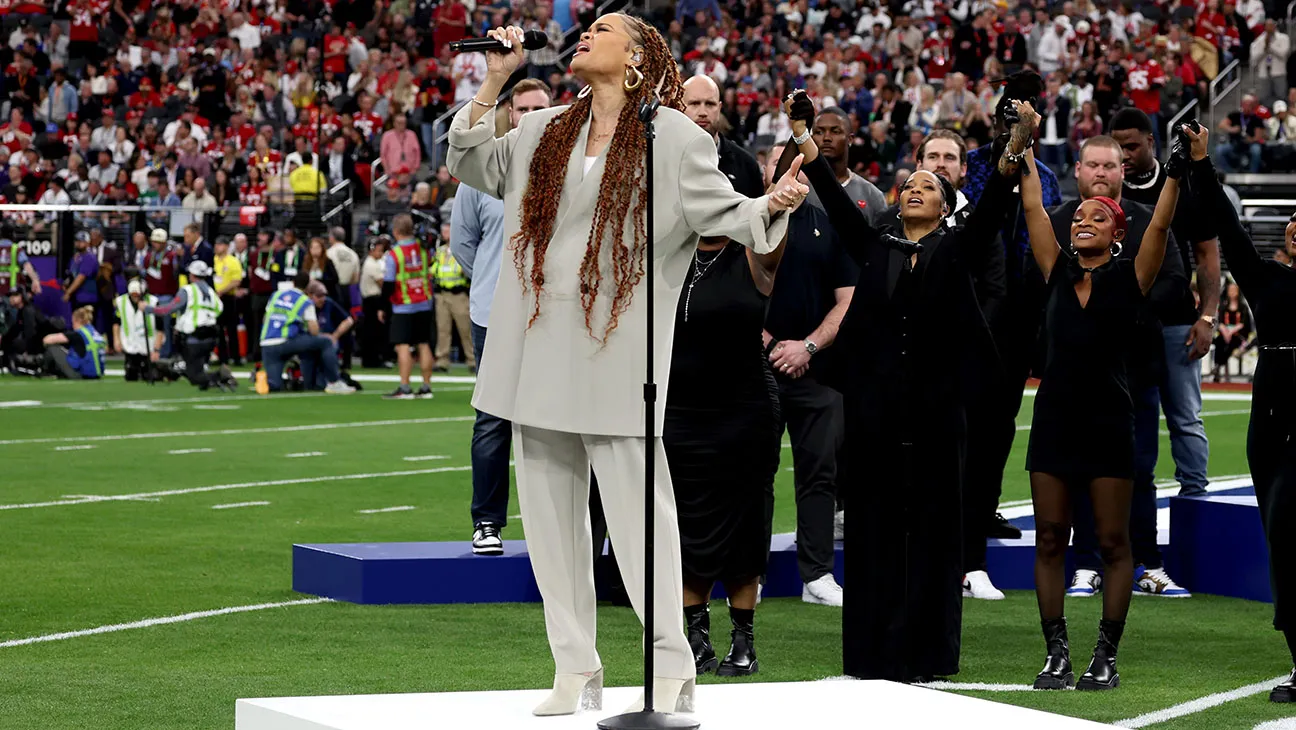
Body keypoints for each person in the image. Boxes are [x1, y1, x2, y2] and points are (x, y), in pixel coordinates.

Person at [447, 17, 803, 715]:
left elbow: (721, 210)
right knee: (549, 521)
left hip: (615, 352)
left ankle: (670, 664)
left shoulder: (671, 135)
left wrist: (773, 204)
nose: (584, 35)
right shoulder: (542, 127)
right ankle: (574, 666)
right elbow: (469, 161)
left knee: (644, 520)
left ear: (637, 57)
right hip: (536, 346)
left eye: (602, 29)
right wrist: (495, 78)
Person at [785, 89, 1020, 683]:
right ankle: (872, 655)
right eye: (909, 184)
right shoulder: (876, 246)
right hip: (876, 416)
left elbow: (993, 205)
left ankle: (931, 656)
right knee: (873, 533)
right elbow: (837, 204)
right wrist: (805, 140)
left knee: (937, 535)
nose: (915, 189)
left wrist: (1012, 147)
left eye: (929, 187)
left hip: (940, 414)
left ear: (944, 207)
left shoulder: (956, 248)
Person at [1019, 106, 1196, 692]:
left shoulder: (1131, 277)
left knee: (1116, 542)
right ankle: (1056, 651)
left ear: (1118, 232)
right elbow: (1033, 207)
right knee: (1049, 538)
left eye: (1098, 217)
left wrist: (1172, 174)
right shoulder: (1055, 271)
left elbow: (1163, 230)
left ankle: (1105, 653)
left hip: (1109, 421)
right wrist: (1022, 145)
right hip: (1055, 421)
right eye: (1080, 218)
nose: (1082, 222)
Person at [1055, 135, 1194, 604]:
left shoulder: (1146, 221)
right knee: (1076, 470)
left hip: (1134, 368)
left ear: (1122, 171)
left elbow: (1175, 283)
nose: (1100, 173)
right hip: (1072, 373)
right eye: (1092, 164)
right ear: (1078, 170)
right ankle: (1086, 564)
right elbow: (1039, 285)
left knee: (1138, 468)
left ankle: (1148, 562)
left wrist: (1117, 304)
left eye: (1109, 165)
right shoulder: (1060, 220)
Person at [671, 153, 787, 678]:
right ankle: (695, 637)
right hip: (680, 415)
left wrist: (780, 190)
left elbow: (776, 226)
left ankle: (744, 639)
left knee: (745, 525)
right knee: (686, 526)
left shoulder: (753, 253)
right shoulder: (668, 255)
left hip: (745, 412)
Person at [1191, 141, 1296, 703]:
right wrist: (1204, 165)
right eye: (1294, 222)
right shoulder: (1265, 280)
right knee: (1282, 539)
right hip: (1274, 426)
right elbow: (1228, 227)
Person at [451, 77, 552, 555]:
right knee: (492, 419)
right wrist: (502, 287)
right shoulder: (484, 169)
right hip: (495, 314)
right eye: (525, 107)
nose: (532, 115)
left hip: (554, 316)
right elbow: (463, 244)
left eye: (542, 108)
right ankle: (487, 521)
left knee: (555, 421)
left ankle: (555, 527)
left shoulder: (567, 168)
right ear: (511, 114)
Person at [760, 142, 854, 608]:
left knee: (821, 473)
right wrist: (774, 345)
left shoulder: (828, 226)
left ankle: (816, 575)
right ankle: (747, 572)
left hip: (818, 370)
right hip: (756, 370)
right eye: (783, 165)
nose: (791, 174)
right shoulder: (743, 221)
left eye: (799, 167)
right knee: (753, 472)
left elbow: (848, 298)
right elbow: (729, 290)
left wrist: (809, 345)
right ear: (766, 172)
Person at [145, 261, 237, 392]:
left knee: (193, 375)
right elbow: (219, 308)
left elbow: (168, 309)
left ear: (192, 275)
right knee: (195, 367)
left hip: (193, 338)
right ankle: (208, 382)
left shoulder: (187, 290)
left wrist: (148, 308)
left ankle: (220, 375)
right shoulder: (211, 292)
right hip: (211, 337)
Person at [259, 271, 356, 395]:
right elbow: (314, 331)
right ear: (307, 286)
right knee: (326, 342)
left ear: (293, 283)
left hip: (267, 343)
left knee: (274, 386)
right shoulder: (304, 301)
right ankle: (334, 382)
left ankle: (270, 381)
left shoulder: (276, 295)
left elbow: (265, 319)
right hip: (287, 341)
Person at [681, 74, 764, 198]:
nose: (703, 112)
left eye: (710, 104)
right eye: (694, 104)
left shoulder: (747, 166)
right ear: (680, 107)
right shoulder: (662, 161)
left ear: (719, 109)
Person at [803, 105, 888, 223]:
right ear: (811, 139)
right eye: (819, 132)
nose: (826, 138)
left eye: (835, 131)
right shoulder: (800, 190)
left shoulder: (872, 195)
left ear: (850, 139)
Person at [382, 214, 435, 400]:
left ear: (395, 231)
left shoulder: (394, 253)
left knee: (402, 344)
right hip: (424, 301)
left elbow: (388, 282)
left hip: (403, 304)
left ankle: (405, 387)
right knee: (423, 343)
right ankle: (426, 386)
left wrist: (383, 306)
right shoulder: (423, 249)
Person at [430, 241, 475, 372]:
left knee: (465, 328)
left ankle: (472, 359)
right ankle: (442, 361)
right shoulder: (440, 251)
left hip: (458, 293)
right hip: (442, 293)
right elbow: (434, 267)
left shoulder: (462, 249)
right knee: (443, 329)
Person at [305, 280, 356, 390]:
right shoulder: (304, 305)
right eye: (318, 296)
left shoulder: (329, 303)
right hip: (310, 339)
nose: (322, 299)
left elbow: (348, 320)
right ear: (309, 295)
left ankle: (332, 380)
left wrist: (335, 336)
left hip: (328, 338)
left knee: (329, 344)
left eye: (323, 296)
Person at [37, 305, 105, 379]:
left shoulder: (78, 333)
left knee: (53, 348)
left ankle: (45, 371)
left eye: (73, 322)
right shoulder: (95, 333)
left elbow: (47, 339)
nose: (73, 325)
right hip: (97, 374)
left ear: (77, 320)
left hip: (80, 374)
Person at [143, 228, 181, 357]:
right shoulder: (148, 256)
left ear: (165, 243)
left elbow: (176, 275)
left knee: (166, 326)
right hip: (152, 296)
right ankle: (153, 352)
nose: (155, 244)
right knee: (153, 326)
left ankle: (166, 353)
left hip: (167, 296)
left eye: (158, 242)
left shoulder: (172, 256)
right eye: (154, 242)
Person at [113, 279, 158, 381]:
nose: (135, 297)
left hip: (148, 344)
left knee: (149, 375)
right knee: (131, 376)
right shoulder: (121, 302)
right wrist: (116, 340)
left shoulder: (153, 301)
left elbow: (160, 327)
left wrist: (156, 348)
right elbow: (116, 322)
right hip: (130, 343)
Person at [360, 235, 392, 369]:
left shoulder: (372, 263)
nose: (380, 253)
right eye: (378, 250)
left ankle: (373, 358)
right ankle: (372, 359)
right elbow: (383, 284)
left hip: (371, 300)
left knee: (374, 331)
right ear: (371, 251)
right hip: (372, 301)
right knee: (374, 332)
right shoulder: (371, 265)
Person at [212, 237, 245, 366]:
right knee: (218, 329)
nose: (217, 247)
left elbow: (237, 280)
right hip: (215, 299)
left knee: (231, 328)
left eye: (219, 245)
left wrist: (222, 291)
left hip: (228, 298)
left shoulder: (233, 261)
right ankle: (222, 357)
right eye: (216, 244)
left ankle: (235, 357)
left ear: (226, 246)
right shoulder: (213, 260)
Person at [1212, 280, 1252, 381]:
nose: (1232, 292)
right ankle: (1217, 366)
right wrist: (1225, 332)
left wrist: (1231, 331)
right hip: (1224, 334)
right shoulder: (1223, 306)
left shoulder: (1242, 307)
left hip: (1238, 336)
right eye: (1231, 290)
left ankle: (1218, 365)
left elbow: (1243, 323)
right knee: (1219, 342)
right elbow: (1220, 323)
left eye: (1234, 290)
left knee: (1231, 345)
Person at [0, 227, 42, 296]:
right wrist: (35, 280)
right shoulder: (16, 249)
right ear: (13, 235)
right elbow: (26, 265)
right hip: (12, 293)